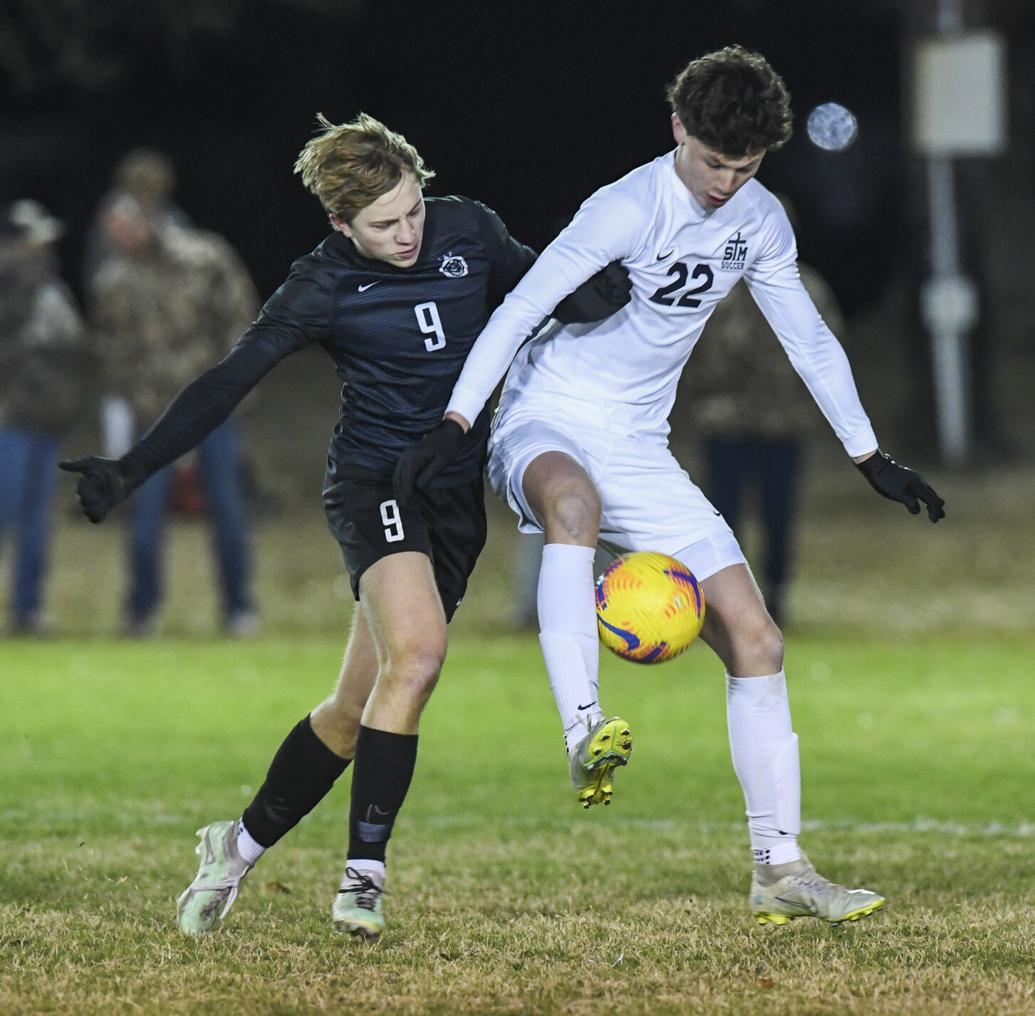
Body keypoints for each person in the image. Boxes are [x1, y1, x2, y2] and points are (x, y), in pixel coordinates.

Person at [394, 46, 945, 927]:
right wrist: (457, 421)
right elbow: (519, 309)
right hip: (548, 418)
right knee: (572, 507)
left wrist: (866, 454)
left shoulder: (759, 219)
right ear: (678, 128)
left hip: (639, 449)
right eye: (714, 162)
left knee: (758, 642)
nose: (727, 182)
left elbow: (805, 336)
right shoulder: (622, 207)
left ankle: (779, 869)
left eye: (748, 166)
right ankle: (584, 732)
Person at [60, 113, 630, 939]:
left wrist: (592, 298)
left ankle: (237, 844)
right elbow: (226, 383)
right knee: (422, 656)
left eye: (411, 213)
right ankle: (363, 878)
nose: (405, 234)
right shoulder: (320, 285)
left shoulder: (468, 226)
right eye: (382, 225)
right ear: (339, 224)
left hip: (451, 495)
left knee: (352, 708)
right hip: (373, 483)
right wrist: (134, 466)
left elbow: (537, 291)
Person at [88, 192, 260, 636]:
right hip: (153, 415)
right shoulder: (114, 280)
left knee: (227, 507)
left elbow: (240, 320)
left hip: (210, 409)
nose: (120, 236)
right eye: (113, 229)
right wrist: (125, 406)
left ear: (148, 220)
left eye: (126, 225)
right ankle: (141, 611)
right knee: (145, 514)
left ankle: (239, 609)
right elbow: (110, 350)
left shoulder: (203, 257)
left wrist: (233, 384)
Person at [683, 197, 846, 625]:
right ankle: (727, 602)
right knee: (723, 519)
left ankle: (775, 598)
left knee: (778, 517)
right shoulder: (713, 287)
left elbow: (827, 354)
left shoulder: (806, 289)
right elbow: (687, 354)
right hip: (724, 424)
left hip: (782, 425)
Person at [0, 200, 90, 634]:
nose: (44, 249)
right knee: (5, 514)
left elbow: (74, 347)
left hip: (46, 419)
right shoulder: (11, 284)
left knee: (37, 523)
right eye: (35, 241)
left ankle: (27, 610)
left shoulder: (52, 288)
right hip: (9, 419)